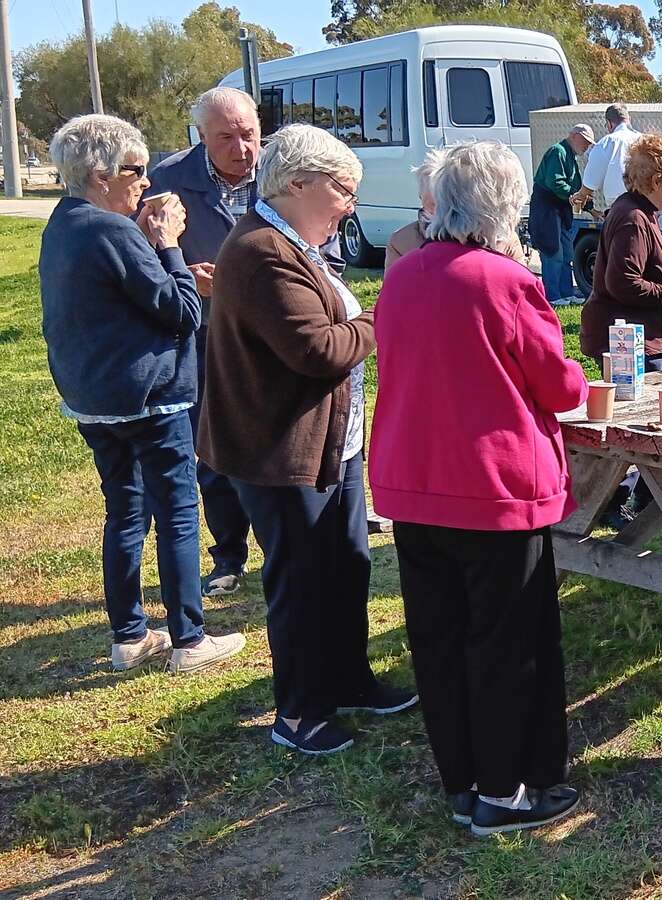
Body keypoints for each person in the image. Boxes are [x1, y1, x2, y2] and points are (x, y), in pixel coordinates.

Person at [371, 142, 588, 836]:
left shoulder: (402, 276)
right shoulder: (505, 280)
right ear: (507, 206)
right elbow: (558, 385)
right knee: (507, 643)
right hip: (492, 487)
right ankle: (505, 791)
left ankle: (463, 780)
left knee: (439, 640)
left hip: (416, 480)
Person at [201, 124, 416, 756]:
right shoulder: (263, 249)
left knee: (346, 565)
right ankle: (297, 712)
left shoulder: (294, 241)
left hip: (329, 443)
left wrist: (356, 322)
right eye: (344, 190)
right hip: (279, 450)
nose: (351, 204)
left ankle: (347, 679)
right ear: (298, 184)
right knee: (300, 579)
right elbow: (318, 349)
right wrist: (379, 317)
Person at [39, 114, 248, 675]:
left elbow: (125, 294)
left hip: (92, 396)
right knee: (178, 511)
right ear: (101, 173)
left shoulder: (64, 222)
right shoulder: (115, 229)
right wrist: (172, 249)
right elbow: (180, 314)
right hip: (148, 396)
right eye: (136, 170)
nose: (145, 183)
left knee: (125, 512)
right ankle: (189, 639)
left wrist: (167, 264)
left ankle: (128, 635)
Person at [146, 87, 262, 597]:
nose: (242, 148)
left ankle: (284, 542)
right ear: (200, 136)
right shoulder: (168, 180)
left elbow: (328, 238)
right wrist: (183, 276)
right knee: (213, 447)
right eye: (226, 137)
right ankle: (229, 556)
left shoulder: (286, 169)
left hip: (275, 331)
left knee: (279, 440)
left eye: (249, 134)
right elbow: (139, 261)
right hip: (206, 334)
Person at [578, 133, 662, 362]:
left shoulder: (644, 211)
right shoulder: (633, 218)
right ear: (656, 181)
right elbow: (623, 283)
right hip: (628, 347)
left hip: (639, 342)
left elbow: (651, 262)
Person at [530, 124, 595, 307]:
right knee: (553, 252)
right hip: (547, 211)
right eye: (585, 142)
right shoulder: (557, 152)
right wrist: (574, 197)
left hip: (562, 210)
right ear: (574, 136)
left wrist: (590, 208)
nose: (586, 146)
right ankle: (553, 296)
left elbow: (577, 187)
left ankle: (566, 293)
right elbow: (556, 182)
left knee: (567, 253)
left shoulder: (571, 157)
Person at [385, 148, 448, 267]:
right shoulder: (401, 242)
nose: (441, 213)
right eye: (434, 205)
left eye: (448, 204)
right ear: (421, 197)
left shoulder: (486, 237)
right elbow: (393, 284)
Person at [572, 103, 639, 214]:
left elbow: (590, 183)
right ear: (629, 119)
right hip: (647, 209)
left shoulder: (606, 142)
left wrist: (580, 196)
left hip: (621, 209)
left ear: (609, 124)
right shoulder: (645, 140)